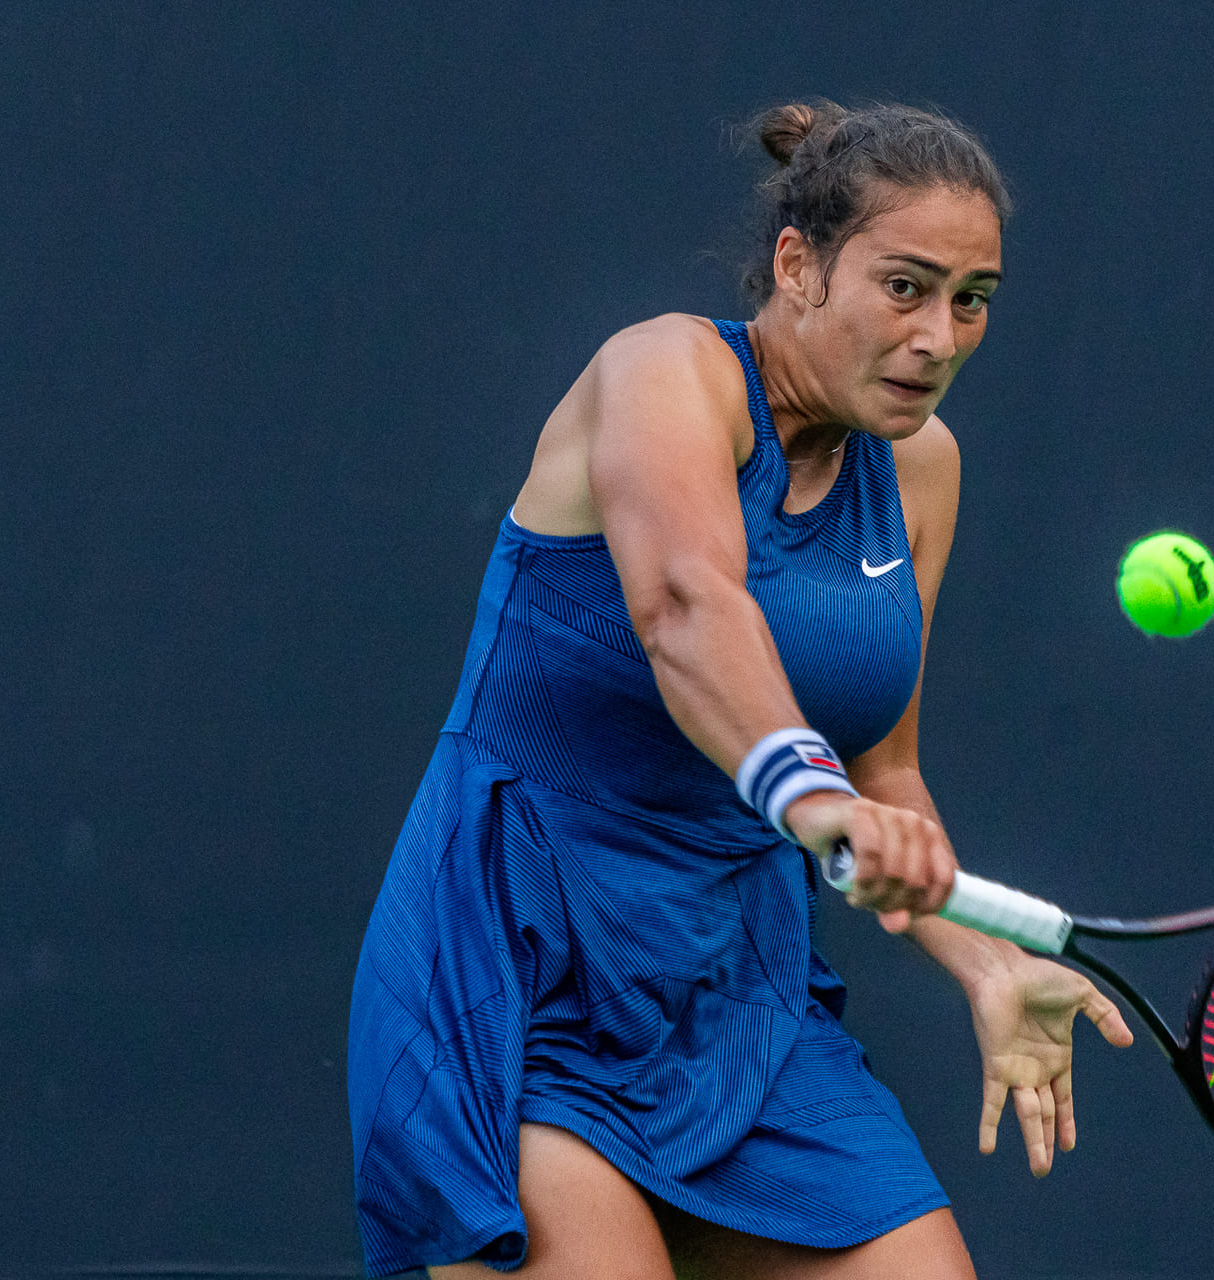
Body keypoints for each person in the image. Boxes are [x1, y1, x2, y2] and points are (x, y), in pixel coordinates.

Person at [347, 97, 1133, 1280]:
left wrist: (985, 957)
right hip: (524, 965)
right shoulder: (663, 370)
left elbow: (889, 774)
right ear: (797, 264)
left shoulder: (922, 470)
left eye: (971, 300)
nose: (940, 335)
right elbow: (686, 607)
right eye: (906, 286)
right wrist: (810, 799)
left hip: (735, 989)